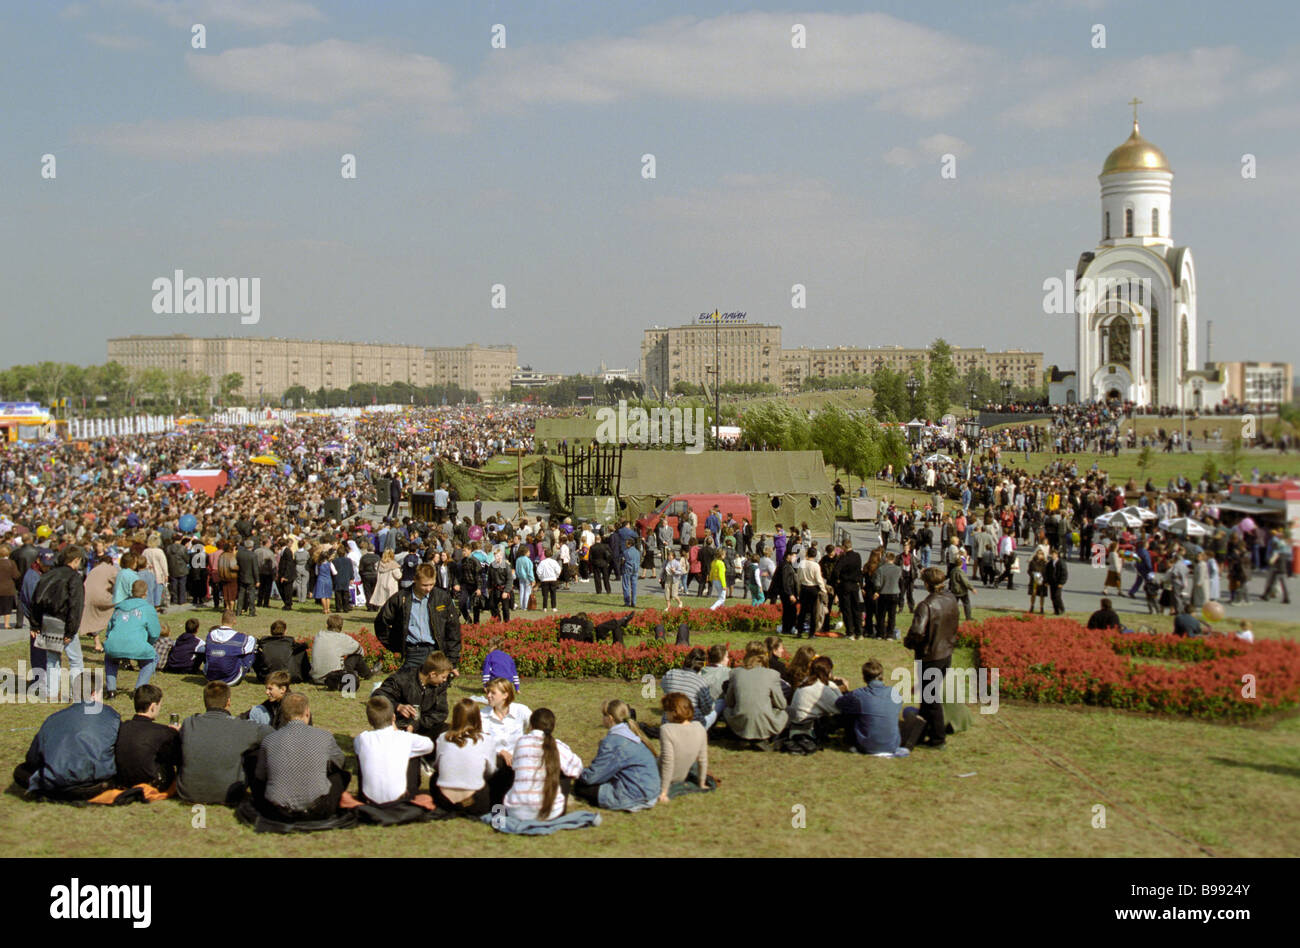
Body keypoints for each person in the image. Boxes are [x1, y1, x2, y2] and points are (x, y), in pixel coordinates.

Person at [13, 674, 119, 797]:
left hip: (54, 783)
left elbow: (33, 758)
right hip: (95, 785)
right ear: (94, 694)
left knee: (21, 771)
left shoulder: (53, 719)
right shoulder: (111, 715)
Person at [253, 694, 349, 821]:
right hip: (317, 809)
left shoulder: (269, 740)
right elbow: (340, 762)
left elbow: (260, 776)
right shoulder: (324, 736)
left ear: (283, 715)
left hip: (277, 811)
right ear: (307, 712)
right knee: (342, 776)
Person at [177, 681, 274, 805]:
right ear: (228, 702)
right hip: (230, 794)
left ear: (205, 701)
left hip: (187, 792)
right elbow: (271, 734)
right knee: (257, 751)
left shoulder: (189, 723)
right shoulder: (242, 727)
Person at [902, 567, 959, 749]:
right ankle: (921, 732)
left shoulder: (926, 605)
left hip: (930, 655)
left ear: (927, 584)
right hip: (946, 652)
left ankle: (938, 738)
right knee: (927, 697)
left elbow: (918, 631)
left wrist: (909, 642)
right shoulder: (951, 599)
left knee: (930, 698)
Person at [573, 699, 660, 811]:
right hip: (651, 790)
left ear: (610, 718)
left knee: (581, 786)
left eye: (603, 715)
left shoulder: (613, 741)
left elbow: (593, 777)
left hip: (636, 795)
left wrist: (578, 772)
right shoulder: (632, 733)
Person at [375, 562, 462, 672]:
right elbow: (381, 622)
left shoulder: (442, 598)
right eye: (425, 585)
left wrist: (452, 661)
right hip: (412, 651)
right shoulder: (400, 598)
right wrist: (395, 645)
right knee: (410, 686)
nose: (429, 589)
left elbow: (453, 629)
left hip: (436, 651)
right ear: (415, 580)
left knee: (436, 688)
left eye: (432, 584)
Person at [502, 708, 584, 821]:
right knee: (565, 772)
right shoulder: (557, 746)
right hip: (550, 813)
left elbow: (515, 766)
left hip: (515, 811)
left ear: (531, 725)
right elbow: (577, 769)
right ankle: (556, 801)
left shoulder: (521, 742)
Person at [354, 695, 434, 806]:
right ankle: (411, 790)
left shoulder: (361, 738)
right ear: (394, 717)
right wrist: (404, 734)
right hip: (400, 799)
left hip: (368, 799)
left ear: (370, 720)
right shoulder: (405, 738)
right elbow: (429, 746)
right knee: (414, 753)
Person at [30, 545, 87, 699]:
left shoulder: (48, 574)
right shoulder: (74, 578)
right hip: (64, 621)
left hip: (47, 621)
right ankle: (76, 693)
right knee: (75, 659)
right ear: (76, 560)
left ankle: (51, 692)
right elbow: (76, 605)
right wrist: (71, 630)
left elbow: (36, 599)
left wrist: (35, 624)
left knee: (52, 658)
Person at [836, 659, 921, 756]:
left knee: (850, 712)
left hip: (866, 746)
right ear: (882, 676)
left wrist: (846, 691)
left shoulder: (858, 695)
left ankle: (850, 741)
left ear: (864, 678)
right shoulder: (894, 692)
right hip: (892, 746)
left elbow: (839, 704)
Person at [432, 698, 498, 816]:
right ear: (477, 717)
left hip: (444, 800)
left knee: (434, 777)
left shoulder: (443, 737)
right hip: (473, 802)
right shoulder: (486, 740)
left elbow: (437, 766)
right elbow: (490, 772)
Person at [374, 651, 455, 742]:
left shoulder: (440, 686)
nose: (445, 680)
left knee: (451, 733)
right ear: (432, 674)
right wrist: (397, 706)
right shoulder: (402, 678)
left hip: (425, 727)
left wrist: (416, 724)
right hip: (400, 726)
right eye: (443, 677)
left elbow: (440, 713)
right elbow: (378, 697)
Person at [113, 683, 180, 791]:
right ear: (153, 707)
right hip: (152, 782)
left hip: (123, 780)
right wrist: (175, 734)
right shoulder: (163, 732)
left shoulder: (121, 727)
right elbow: (175, 758)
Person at [103, 579, 162, 700]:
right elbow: (155, 632)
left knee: (110, 658)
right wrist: (148, 644)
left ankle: (111, 690)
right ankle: (138, 689)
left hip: (114, 644)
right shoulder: (148, 609)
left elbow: (109, 630)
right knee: (153, 657)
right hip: (137, 645)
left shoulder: (119, 608)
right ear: (145, 593)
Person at [724, 642, 789, 749]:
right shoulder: (772, 674)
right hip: (764, 723)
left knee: (726, 710)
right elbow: (782, 704)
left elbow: (729, 702)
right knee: (784, 713)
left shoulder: (736, 673)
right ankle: (763, 738)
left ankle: (744, 736)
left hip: (740, 721)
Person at [656, 692, 710, 803]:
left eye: (666, 711)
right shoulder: (699, 727)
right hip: (682, 776)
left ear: (673, 712)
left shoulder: (666, 729)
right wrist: (702, 783)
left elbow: (668, 762)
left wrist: (664, 792)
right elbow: (702, 759)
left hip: (660, 776)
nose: (665, 714)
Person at [661, 647, 721, 729]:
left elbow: (664, 687)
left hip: (668, 723)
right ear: (702, 665)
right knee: (720, 703)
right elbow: (707, 709)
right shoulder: (701, 682)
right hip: (693, 726)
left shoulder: (670, 674)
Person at [197, 611, 257, 685]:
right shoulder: (240, 638)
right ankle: (243, 671)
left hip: (210, 676)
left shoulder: (210, 635)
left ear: (221, 620)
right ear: (234, 621)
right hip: (231, 679)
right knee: (250, 652)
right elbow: (253, 641)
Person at [309, 613, 362, 684]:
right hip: (335, 678)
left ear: (327, 625)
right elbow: (359, 650)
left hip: (316, 678)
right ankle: (368, 674)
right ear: (341, 626)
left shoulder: (319, 635)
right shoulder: (342, 638)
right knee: (357, 656)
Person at [795, 548, 826, 639]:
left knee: (802, 611)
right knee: (813, 611)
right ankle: (811, 633)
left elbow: (799, 577)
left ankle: (799, 631)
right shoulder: (815, 565)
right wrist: (823, 589)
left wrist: (799, 589)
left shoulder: (802, 564)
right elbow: (818, 579)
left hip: (804, 587)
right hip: (813, 588)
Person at [873, 551, 903, 639]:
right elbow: (901, 581)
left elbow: (877, 583)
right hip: (894, 593)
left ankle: (880, 634)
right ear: (893, 560)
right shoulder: (898, 569)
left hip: (883, 593)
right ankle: (890, 634)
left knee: (881, 615)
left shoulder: (880, 569)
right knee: (892, 615)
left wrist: (877, 591)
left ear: (886, 559)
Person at [1047, 548, 1069, 616]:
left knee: (1057, 596)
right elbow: (1047, 573)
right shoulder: (1050, 563)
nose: (1053, 556)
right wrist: (1047, 581)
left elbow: (1064, 573)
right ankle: (1056, 610)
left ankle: (1061, 609)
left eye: (1054, 554)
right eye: (1052, 554)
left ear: (1057, 555)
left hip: (1058, 583)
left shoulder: (1061, 562)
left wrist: (1061, 583)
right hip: (1052, 582)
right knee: (1052, 597)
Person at [621, 538, 642, 607]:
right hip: (635, 569)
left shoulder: (626, 552)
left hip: (627, 569)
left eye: (626, 543)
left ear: (629, 544)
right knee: (634, 586)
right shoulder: (637, 552)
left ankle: (627, 602)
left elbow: (623, 561)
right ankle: (634, 602)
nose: (625, 544)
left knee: (626, 585)